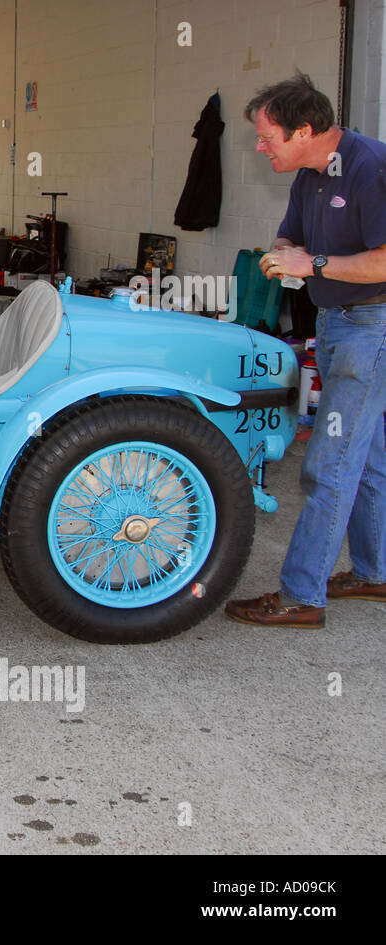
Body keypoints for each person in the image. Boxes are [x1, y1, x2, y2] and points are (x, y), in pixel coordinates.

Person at [225, 73, 386, 629]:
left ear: (306, 129)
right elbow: (290, 238)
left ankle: (301, 595)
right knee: (368, 457)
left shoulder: (370, 167)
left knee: (328, 464)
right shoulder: (311, 176)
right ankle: (373, 573)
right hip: (338, 321)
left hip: (373, 327)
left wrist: (312, 266)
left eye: (268, 136)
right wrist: (284, 255)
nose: (259, 146)